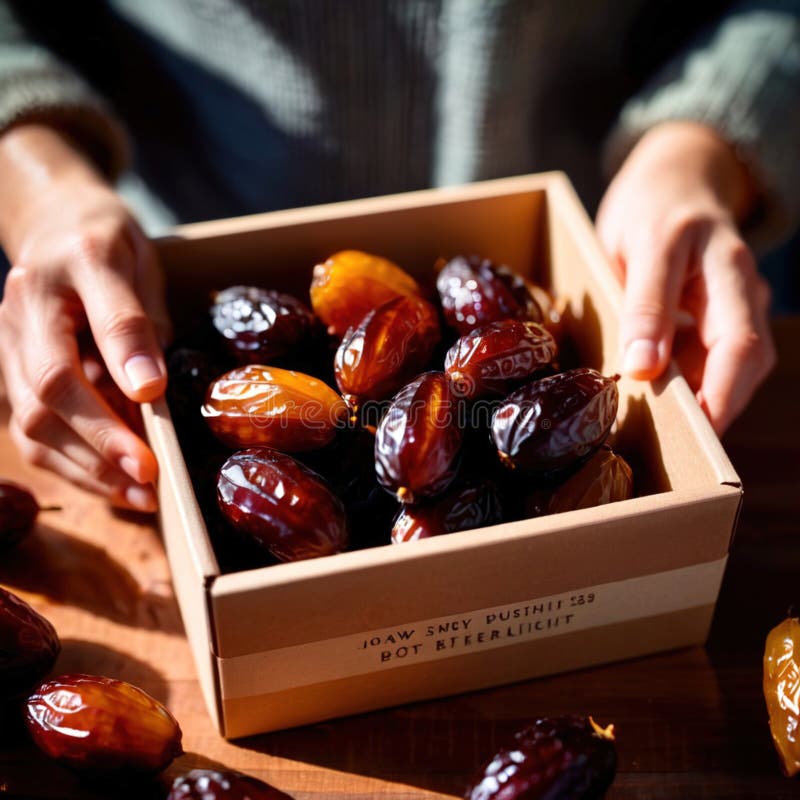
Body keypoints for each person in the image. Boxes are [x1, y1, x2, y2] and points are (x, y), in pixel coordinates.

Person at [0, 1, 797, 512]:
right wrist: (36, 182)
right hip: (167, 229)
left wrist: (703, 151)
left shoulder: (443, 382)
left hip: (605, 220)